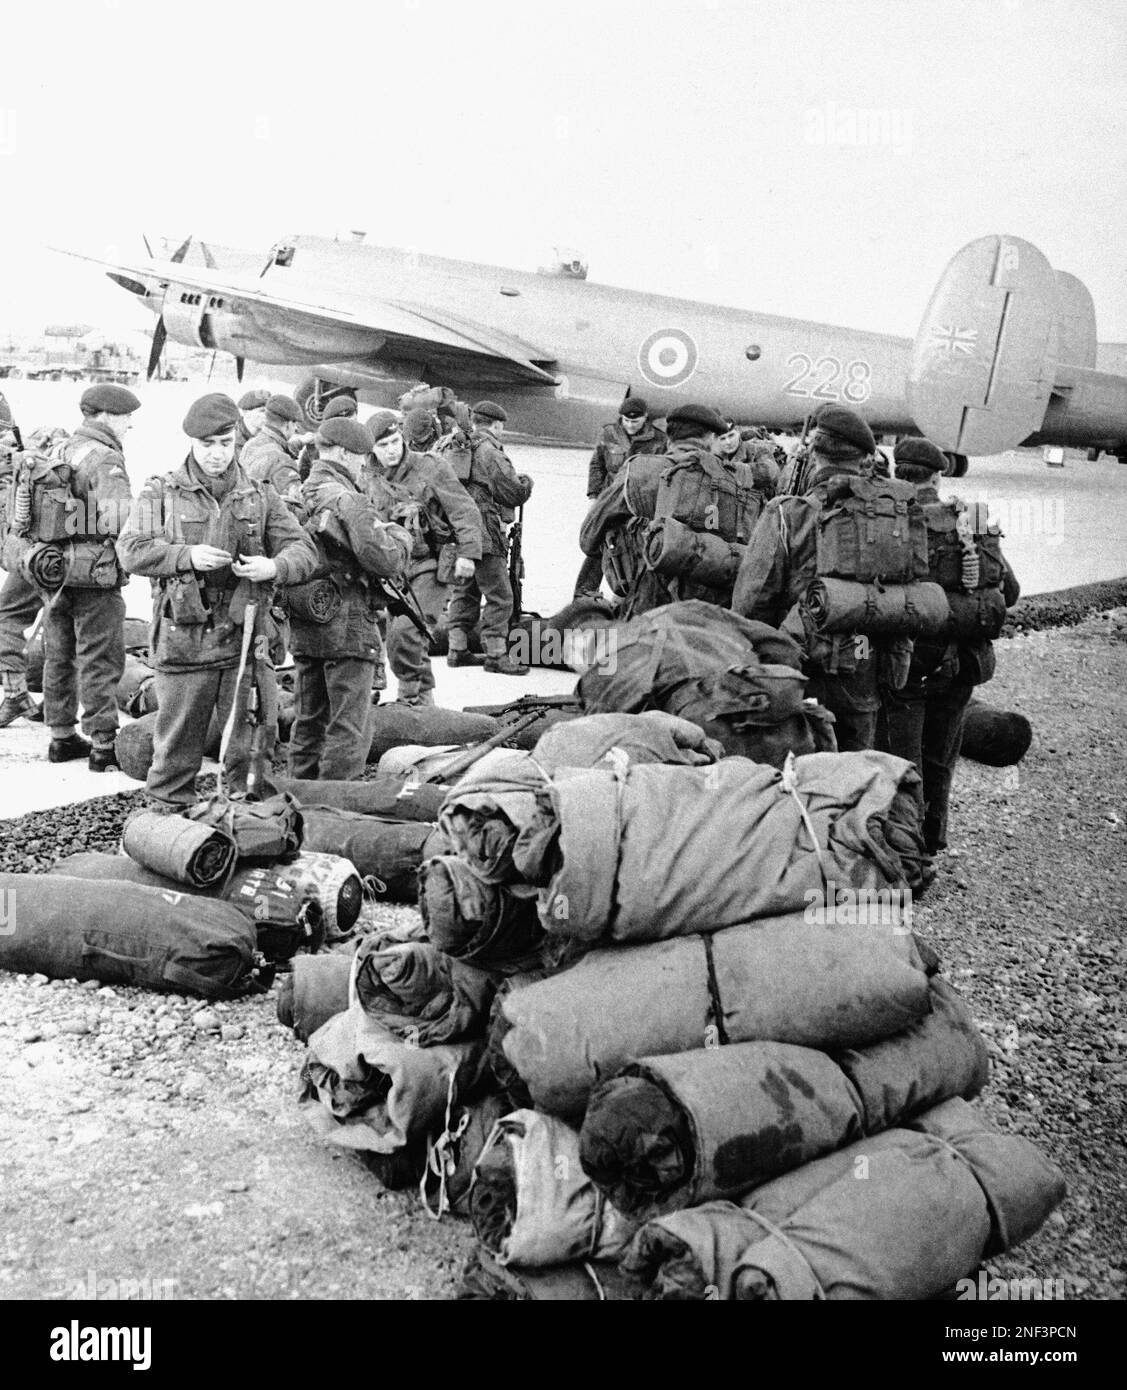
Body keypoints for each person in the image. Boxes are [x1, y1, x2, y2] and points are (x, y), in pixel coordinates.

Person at [117, 392, 318, 809]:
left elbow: (302, 549)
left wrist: (274, 566)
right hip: (185, 642)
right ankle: (167, 823)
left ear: (236, 441)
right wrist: (185, 556)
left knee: (253, 749)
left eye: (225, 444)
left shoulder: (259, 495)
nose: (217, 454)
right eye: (207, 444)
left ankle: (250, 824)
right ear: (192, 442)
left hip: (247, 643)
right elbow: (131, 549)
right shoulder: (161, 492)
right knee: (176, 749)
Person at [876, 435, 1020, 852]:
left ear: (898, 473)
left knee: (902, 758)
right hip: (963, 663)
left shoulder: (891, 520)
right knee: (940, 756)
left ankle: (903, 848)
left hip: (910, 662)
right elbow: (1010, 592)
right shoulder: (971, 520)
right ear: (938, 477)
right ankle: (933, 839)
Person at [732, 404, 888, 751]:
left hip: (797, 672)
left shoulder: (788, 513)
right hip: (862, 669)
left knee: (799, 773)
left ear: (814, 455)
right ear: (864, 460)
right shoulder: (887, 517)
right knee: (856, 774)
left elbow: (752, 603)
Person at [288, 416, 411, 777]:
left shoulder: (300, 492)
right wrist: (401, 538)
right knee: (349, 725)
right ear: (343, 453)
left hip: (308, 618)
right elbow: (384, 560)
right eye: (361, 457)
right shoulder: (349, 500)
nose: (363, 465)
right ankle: (337, 802)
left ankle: (300, 797)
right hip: (349, 624)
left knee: (308, 721)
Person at [35, 385, 138, 770]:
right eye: (126, 417)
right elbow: (120, 517)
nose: (129, 425)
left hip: (53, 569)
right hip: (95, 574)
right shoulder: (104, 457)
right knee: (100, 657)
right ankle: (103, 744)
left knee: (59, 654)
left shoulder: (61, 448)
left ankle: (61, 737)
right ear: (107, 416)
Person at [366, 408, 482, 704]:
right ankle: (424, 700)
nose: (391, 450)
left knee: (406, 632)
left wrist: (468, 554)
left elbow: (464, 510)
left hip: (431, 563)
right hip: (393, 570)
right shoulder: (367, 477)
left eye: (395, 441)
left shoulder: (431, 467)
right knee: (407, 637)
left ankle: (410, 698)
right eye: (383, 445)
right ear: (372, 449)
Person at [445, 401, 533, 675]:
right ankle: (496, 655)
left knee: (466, 589)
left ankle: (457, 649)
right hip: (485, 530)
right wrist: (526, 483)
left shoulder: (458, 446)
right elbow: (513, 493)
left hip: (459, 530)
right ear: (496, 425)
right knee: (501, 595)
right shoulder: (490, 451)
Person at [574, 396, 667, 598]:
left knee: (635, 552)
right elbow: (597, 465)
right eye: (626, 420)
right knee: (598, 547)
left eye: (635, 421)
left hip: (638, 507)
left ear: (645, 417)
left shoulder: (659, 440)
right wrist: (593, 496)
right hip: (610, 503)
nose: (630, 425)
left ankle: (631, 597)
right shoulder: (609, 434)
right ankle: (583, 596)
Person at [0, 397, 46, 727]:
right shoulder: (22, 452)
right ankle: (47, 705)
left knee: (7, 617)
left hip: (34, 553)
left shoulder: (8, 460)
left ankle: (17, 695)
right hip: (47, 552)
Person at [239, 394, 304, 505]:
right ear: (288, 425)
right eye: (295, 424)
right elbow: (298, 508)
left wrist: (300, 442)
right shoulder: (282, 461)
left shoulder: (250, 445)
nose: (296, 428)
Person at [716, 421, 781, 499]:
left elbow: (770, 471)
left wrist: (733, 469)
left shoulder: (757, 450)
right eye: (722, 438)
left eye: (731, 436)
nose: (728, 442)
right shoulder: (716, 454)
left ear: (738, 434)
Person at [235, 388, 270, 461]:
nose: (267, 416)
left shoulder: (269, 438)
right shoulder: (231, 440)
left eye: (270, 411)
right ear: (245, 412)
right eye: (262, 411)